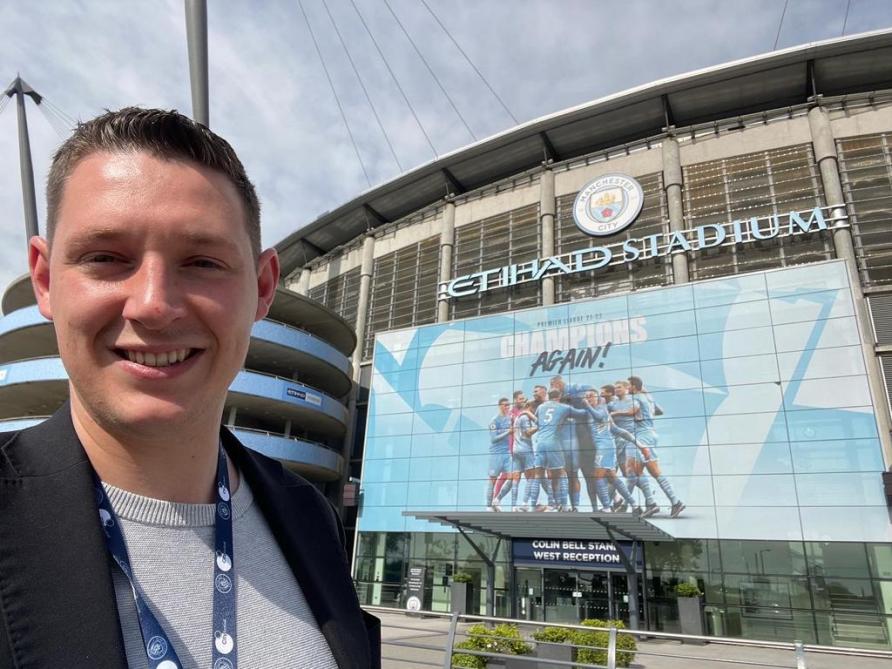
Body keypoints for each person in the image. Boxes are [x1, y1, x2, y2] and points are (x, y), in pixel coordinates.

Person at [0, 108, 379, 668]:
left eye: (203, 262)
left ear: (262, 287)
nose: (154, 304)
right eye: (106, 257)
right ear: (46, 279)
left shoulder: (310, 517)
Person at [627, 375, 685, 518]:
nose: (627, 388)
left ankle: (675, 502)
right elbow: (660, 411)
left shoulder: (637, 399)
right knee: (636, 470)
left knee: (654, 471)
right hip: (649, 434)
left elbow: (631, 412)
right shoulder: (648, 398)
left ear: (634, 386)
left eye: (628, 386)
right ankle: (651, 504)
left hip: (643, 436)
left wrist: (615, 413)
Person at [487, 397, 513, 511]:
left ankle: (497, 499)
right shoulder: (494, 421)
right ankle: (488, 506)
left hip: (506, 454)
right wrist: (508, 432)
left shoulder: (509, 419)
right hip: (496, 454)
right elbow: (493, 439)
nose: (507, 407)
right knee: (493, 480)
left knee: (513, 477)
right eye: (505, 405)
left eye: (508, 405)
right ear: (500, 406)